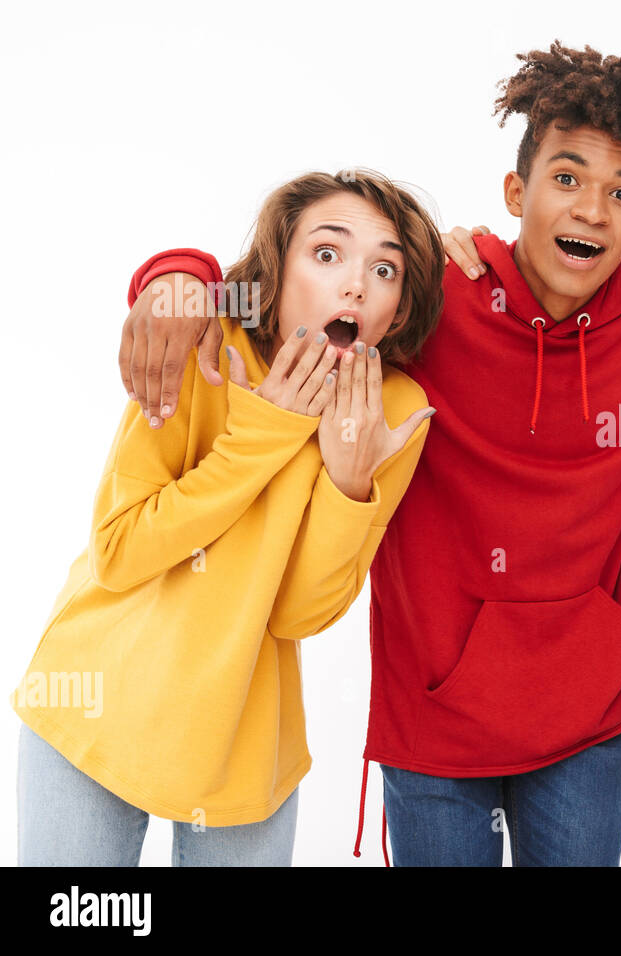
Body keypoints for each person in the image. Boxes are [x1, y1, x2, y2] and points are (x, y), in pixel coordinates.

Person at [112, 43, 621, 867]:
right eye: (567, 178)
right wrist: (178, 274)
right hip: (431, 721)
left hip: (582, 724)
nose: (592, 210)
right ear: (516, 192)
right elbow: (297, 288)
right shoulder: (434, 295)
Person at [13, 169, 441, 865]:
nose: (355, 285)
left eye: (383, 269)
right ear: (277, 270)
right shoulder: (204, 349)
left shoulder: (389, 410)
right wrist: (261, 436)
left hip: (243, 740)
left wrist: (348, 483)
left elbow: (297, 615)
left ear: (398, 309)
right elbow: (119, 551)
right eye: (326, 253)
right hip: (95, 703)